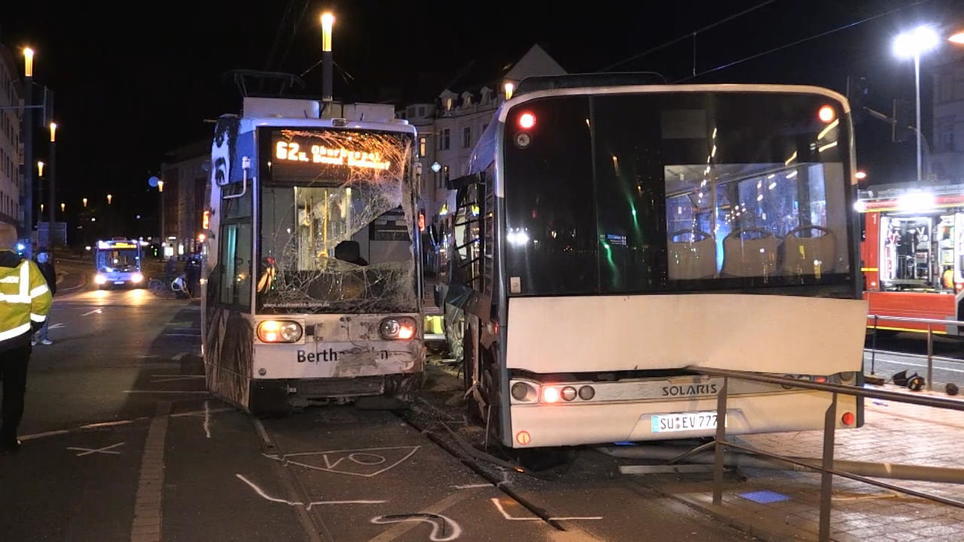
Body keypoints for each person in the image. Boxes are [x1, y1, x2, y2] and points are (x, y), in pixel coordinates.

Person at [0, 223, 53, 453]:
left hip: (16, 340)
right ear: (12, 243)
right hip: (16, 343)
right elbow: (43, 300)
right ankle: (8, 439)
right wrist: (33, 326)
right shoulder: (27, 269)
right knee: (14, 391)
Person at [32, 250, 57, 345]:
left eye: (47, 254)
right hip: (34, 298)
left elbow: (53, 281)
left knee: (45, 319)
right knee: (32, 318)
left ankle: (43, 337)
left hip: (46, 297)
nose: (47, 256)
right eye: (44, 254)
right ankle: (31, 338)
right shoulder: (32, 267)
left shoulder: (49, 267)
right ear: (38, 255)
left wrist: (52, 292)